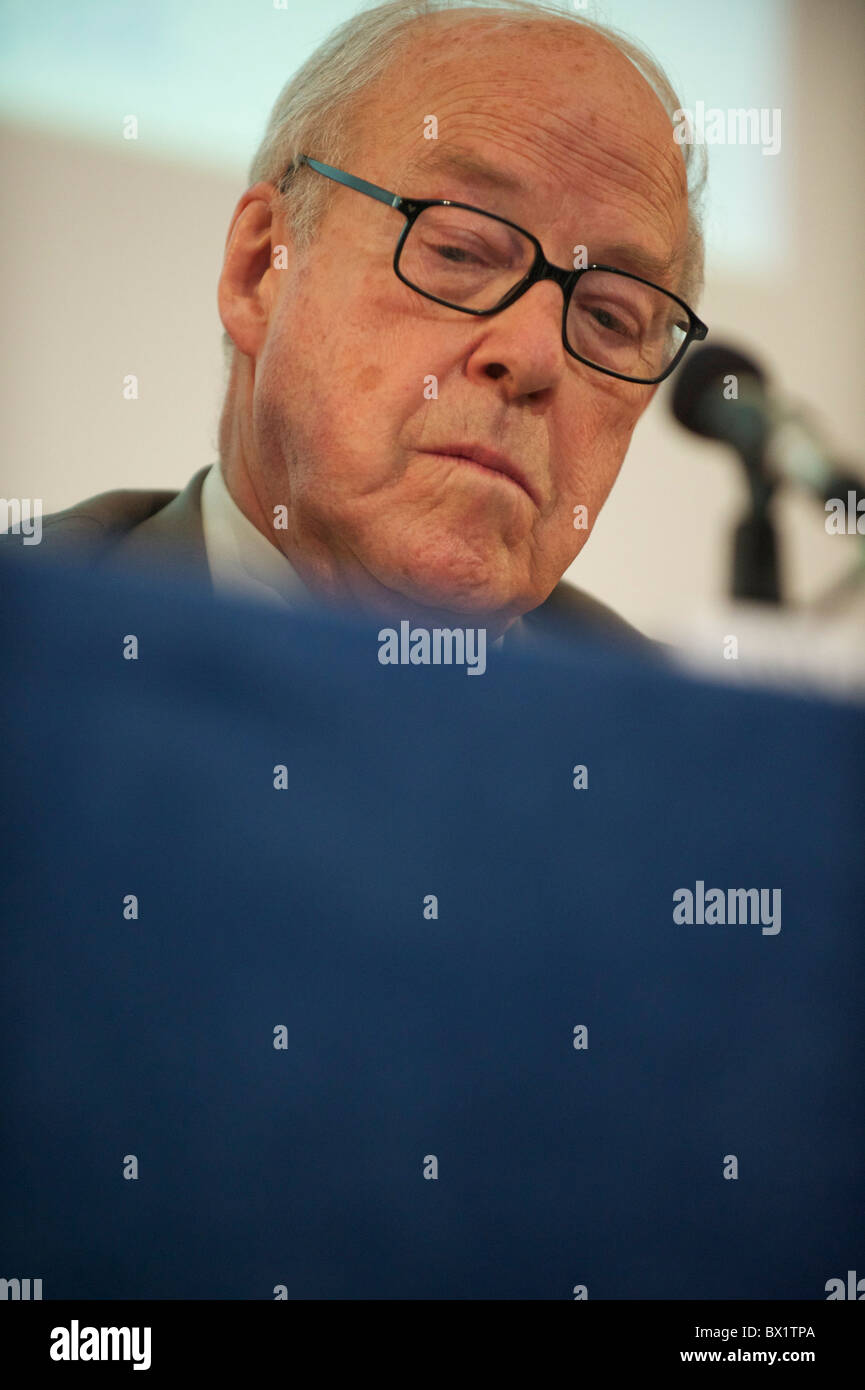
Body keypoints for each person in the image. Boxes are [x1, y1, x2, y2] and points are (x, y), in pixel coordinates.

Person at [3, 0, 707, 648]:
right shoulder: (29, 636)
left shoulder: (688, 748)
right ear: (258, 269)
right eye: (459, 249)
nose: (531, 354)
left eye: (609, 316)